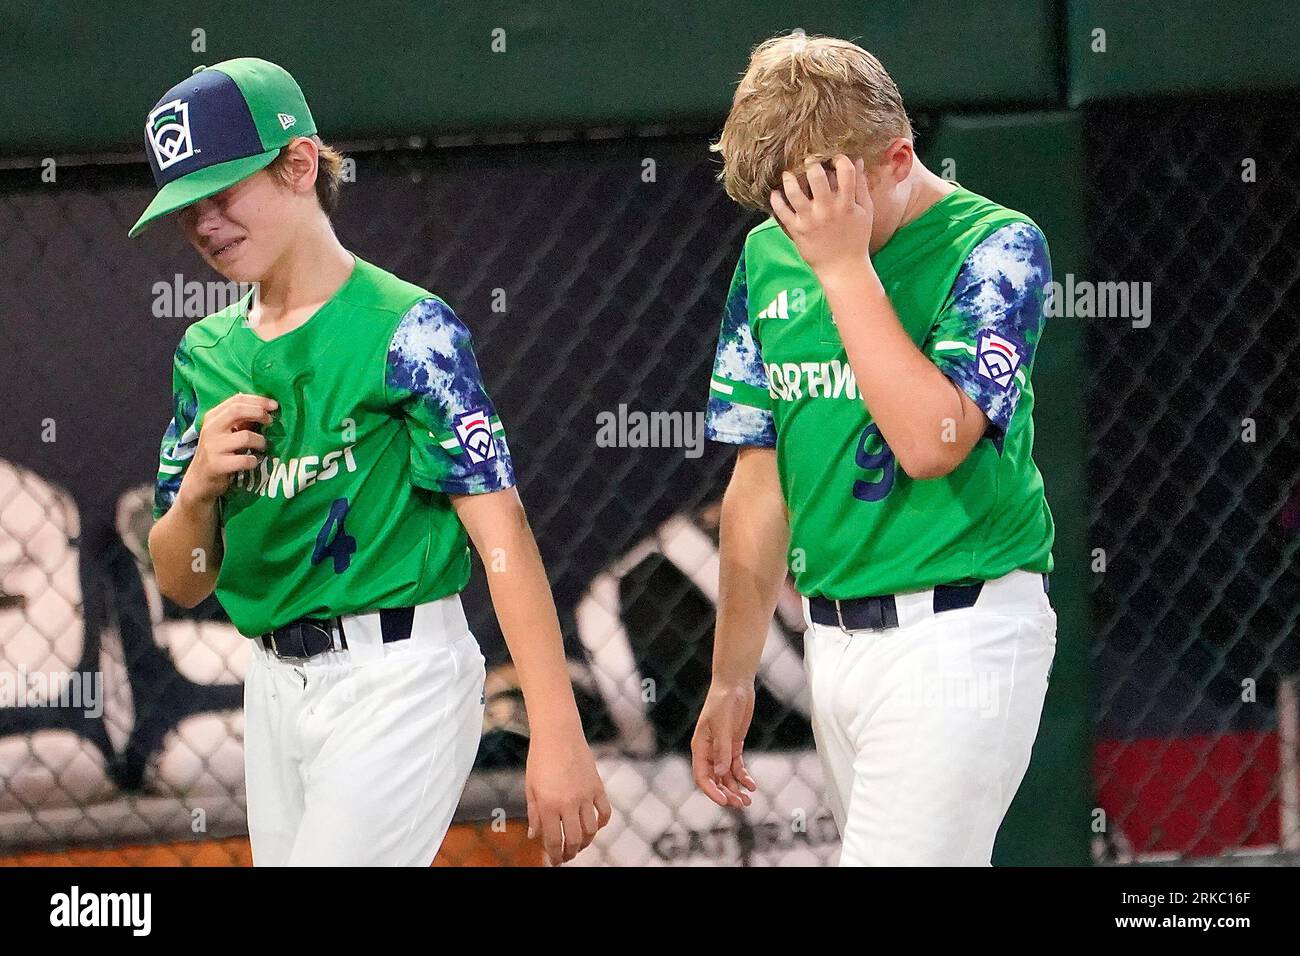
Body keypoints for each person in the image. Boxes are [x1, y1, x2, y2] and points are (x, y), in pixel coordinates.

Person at [134, 57, 609, 866]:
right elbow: (183, 579)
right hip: (274, 685)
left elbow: (504, 535)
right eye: (185, 209)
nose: (205, 224)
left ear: (299, 163)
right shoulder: (204, 353)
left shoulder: (408, 328)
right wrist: (200, 493)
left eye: (221, 193)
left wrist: (557, 732)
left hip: (398, 677)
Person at [692, 34, 1058, 866]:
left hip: (958, 630)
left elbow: (934, 445)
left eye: (826, 199)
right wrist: (732, 675)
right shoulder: (768, 253)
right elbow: (759, 475)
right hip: (833, 640)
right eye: (788, 208)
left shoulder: (997, 246)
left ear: (896, 159)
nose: (803, 225)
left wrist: (844, 268)